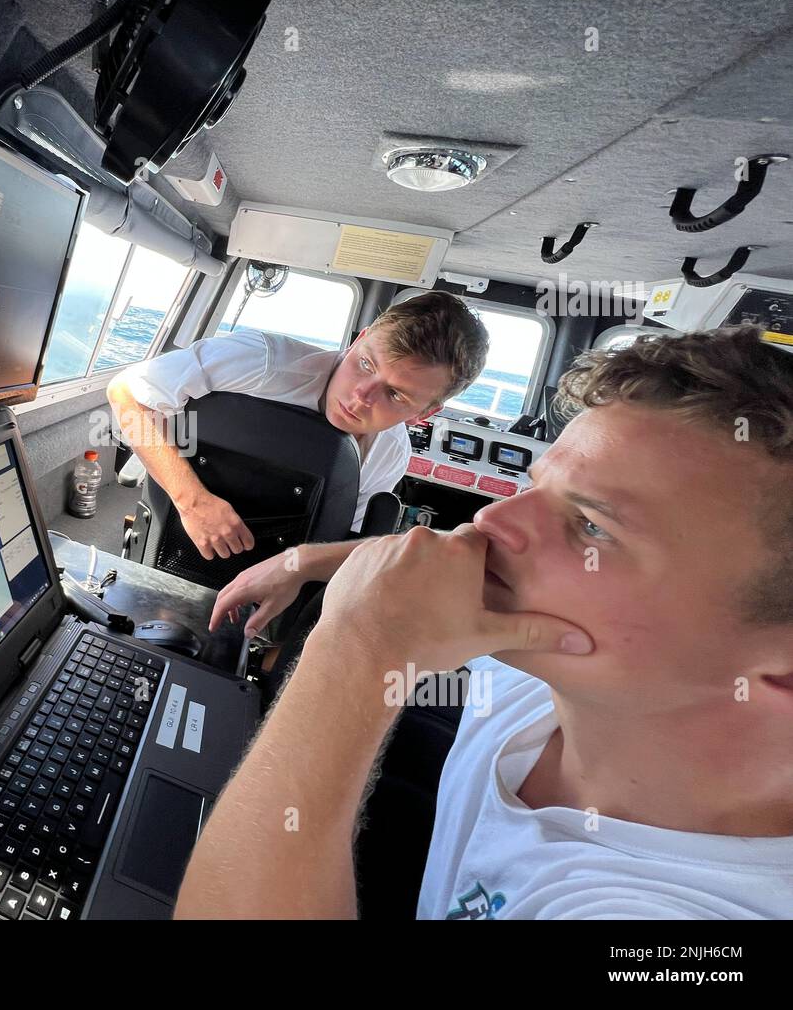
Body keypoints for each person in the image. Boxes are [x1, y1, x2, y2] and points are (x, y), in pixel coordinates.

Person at [175, 326, 793, 920]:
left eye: (594, 527)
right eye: (535, 489)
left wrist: (357, 650)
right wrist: (302, 561)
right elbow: (448, 553)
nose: (491, 522)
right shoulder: (562, 671)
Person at [106, 291, 489, 607]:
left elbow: (334, 538)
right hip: (169, 531)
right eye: (365, 364)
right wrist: (192, 501)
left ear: (425, 414)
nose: (360, 396)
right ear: (359, 339)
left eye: (394, 394)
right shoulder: (261, 362)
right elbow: (126, 393)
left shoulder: (390, 455)